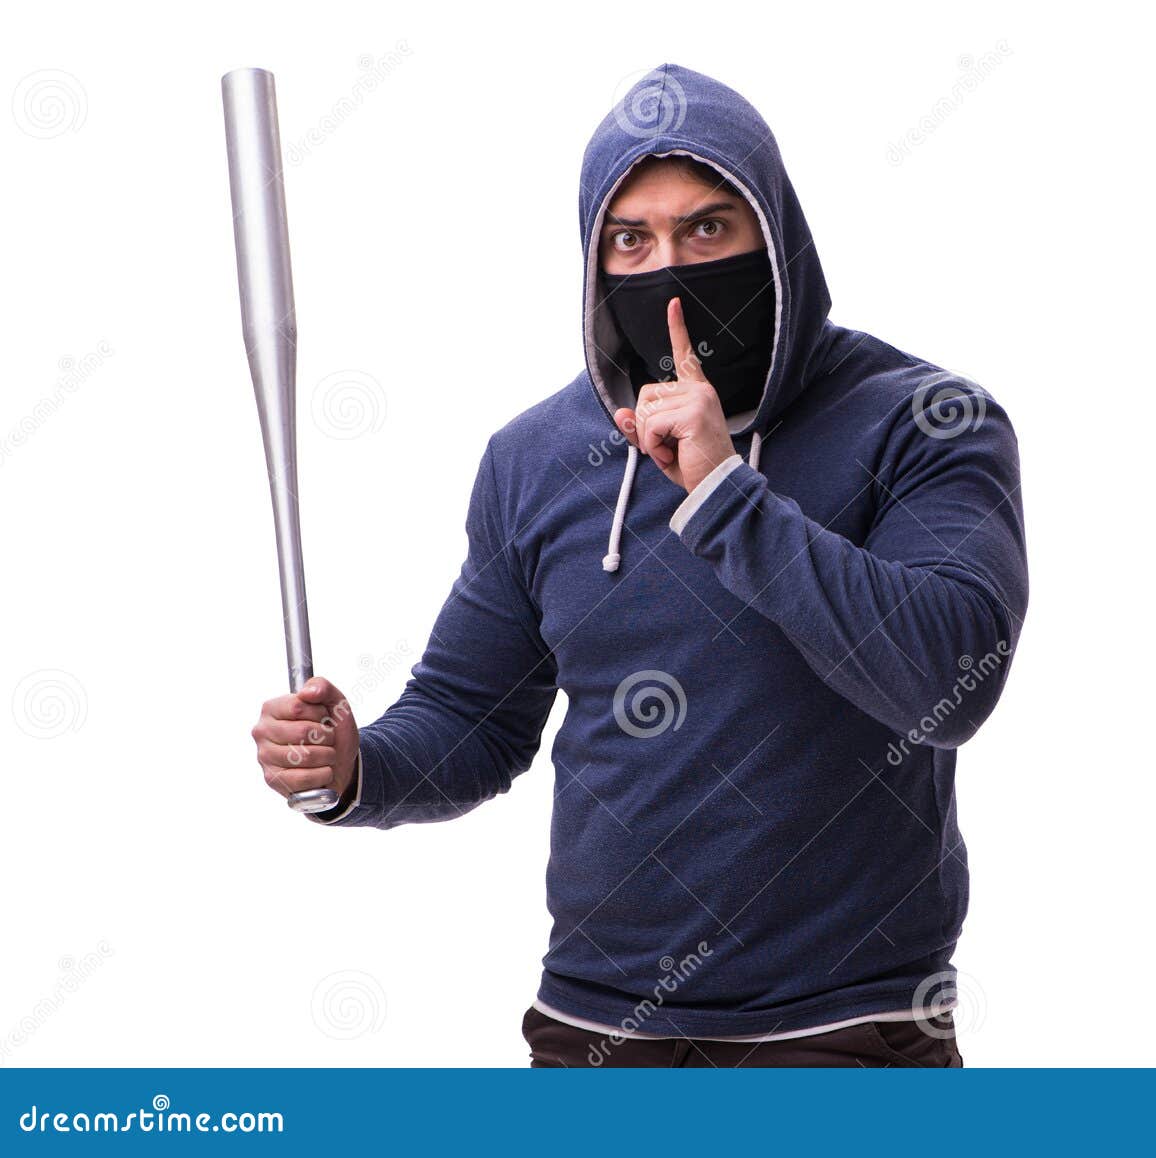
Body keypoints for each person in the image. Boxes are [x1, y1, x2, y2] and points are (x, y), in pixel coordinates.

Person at [250, 63, 1028, 1067]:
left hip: (847, 1040)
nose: (669, 267)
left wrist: (719, 493)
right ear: (594, 258)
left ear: (774, 235)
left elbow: (944, 677)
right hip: (593, 1038)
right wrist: (356, 767)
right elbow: (473, 719)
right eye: (633, 240)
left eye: (708, 229)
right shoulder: (536, 457)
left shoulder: (923, 420)